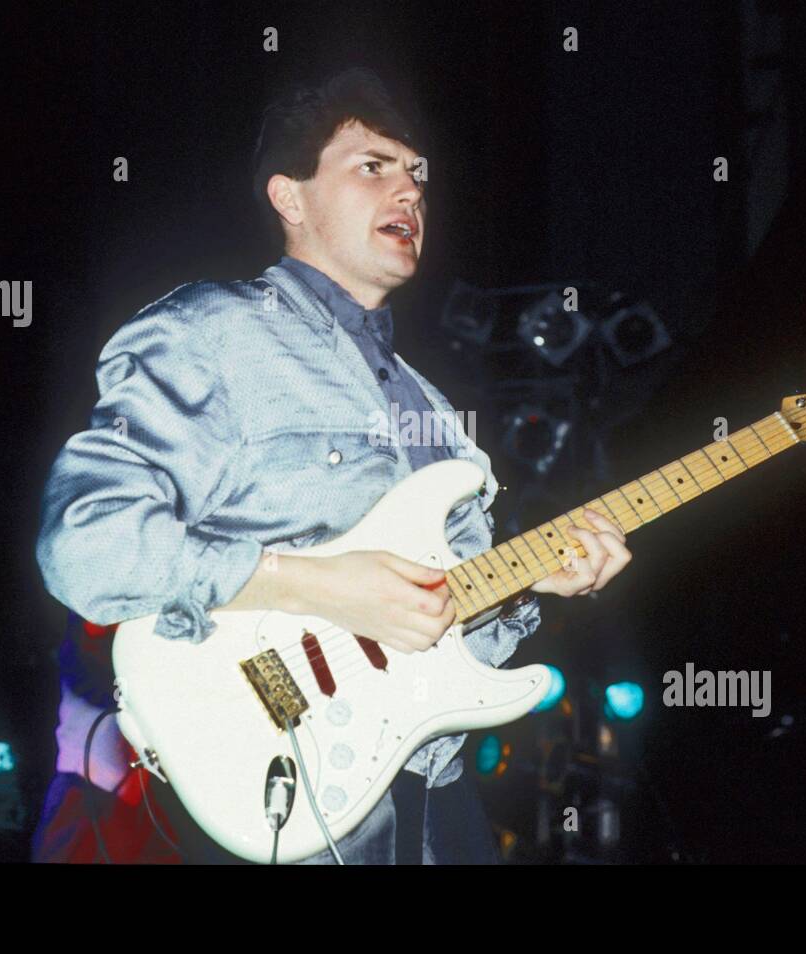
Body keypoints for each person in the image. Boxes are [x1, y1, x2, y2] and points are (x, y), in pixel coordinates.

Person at [31, 67, 632, 865]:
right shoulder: (211, 333)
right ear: (290, 197)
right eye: (373, 167)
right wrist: (313, 584)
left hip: (432, 792)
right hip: (281, 777)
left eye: (418, 175)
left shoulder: (437, 416)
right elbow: (86, 545)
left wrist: (536, 584)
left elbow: (446, 634)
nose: (410, 193)